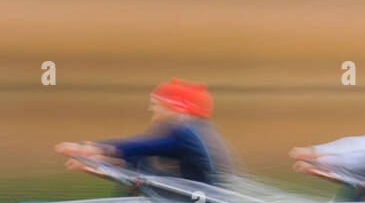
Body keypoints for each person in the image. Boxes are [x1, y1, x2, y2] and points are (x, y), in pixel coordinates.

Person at [54, 78, 233, 186]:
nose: (150, 108)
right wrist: (93, 165)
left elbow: (141, 146)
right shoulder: (190, 131)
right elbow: (138, 159)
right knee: (140, 165)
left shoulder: (184, 133)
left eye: (155, 104)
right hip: (197, 200)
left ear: (174, 107)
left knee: (140, 167)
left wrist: (91, 148)